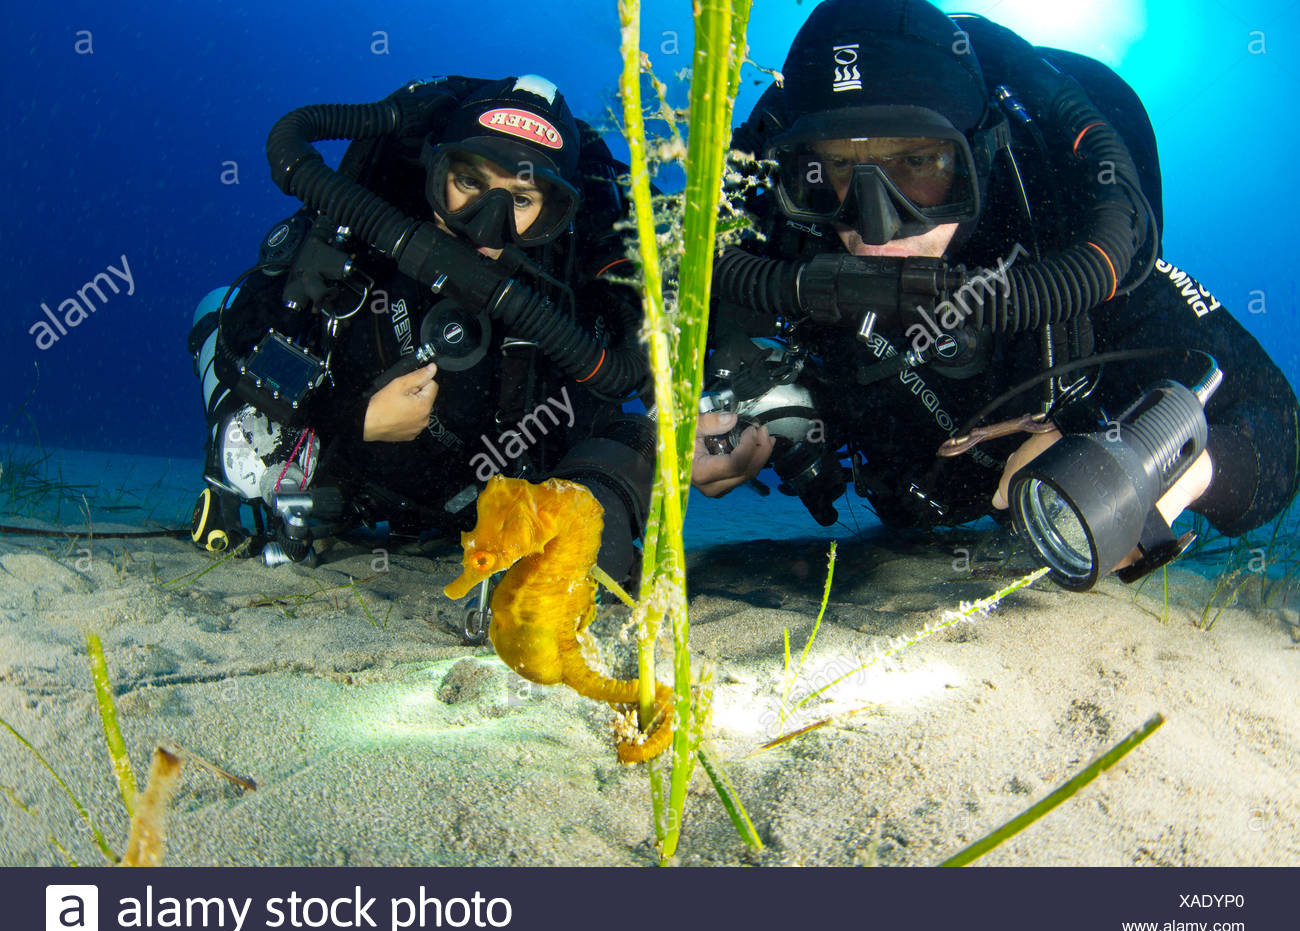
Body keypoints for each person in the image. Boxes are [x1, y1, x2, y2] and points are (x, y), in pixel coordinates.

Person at [695, 0, 1299, 585]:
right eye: (840, 170)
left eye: (919, 166)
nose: (877, 227)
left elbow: (1274, 423)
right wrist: (755, 410)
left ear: (978, 155)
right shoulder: (780, 235)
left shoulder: (1058, 229)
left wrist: (1135, 462)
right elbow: (660, 340)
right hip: (894, 496)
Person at [188, 75, 653, 597]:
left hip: (470, 506)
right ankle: (230, 484)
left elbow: (622, 403)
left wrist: (598, 513)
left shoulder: (561, 300)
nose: (485, 225)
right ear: (436, 173)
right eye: (471, 185)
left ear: (554, 217)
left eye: (520, 201)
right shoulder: (366, 231)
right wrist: (352, 419)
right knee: (214, 310)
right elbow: (242, 331)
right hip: (343, 477)